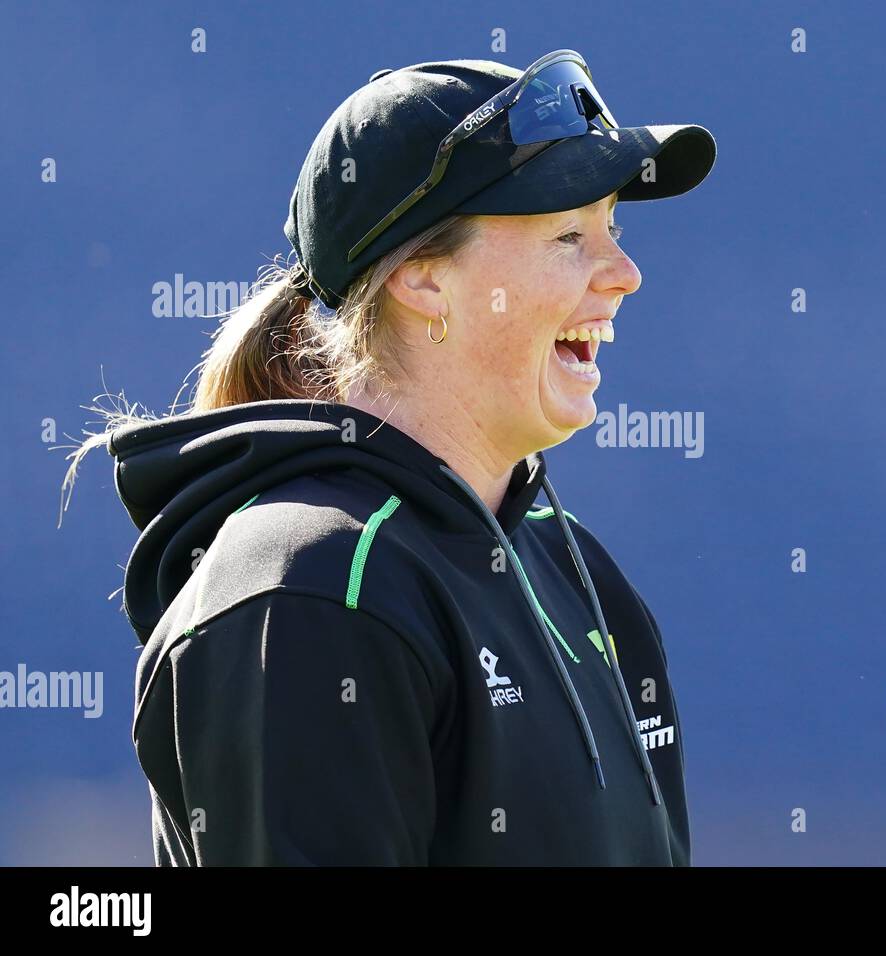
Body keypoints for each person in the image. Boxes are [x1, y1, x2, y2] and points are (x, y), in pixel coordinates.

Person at [61, 51, 716, 865]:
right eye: (568, 234)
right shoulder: (309, 588)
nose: (625, 274)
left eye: (612, 227)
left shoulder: (577, 571)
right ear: (422, 282)